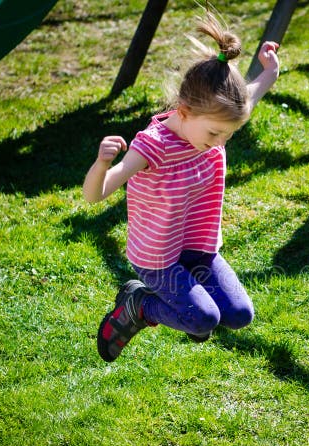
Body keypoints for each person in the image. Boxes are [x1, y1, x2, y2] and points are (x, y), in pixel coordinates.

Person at [83, 10, 280, 362]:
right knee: (202, 318)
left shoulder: (213, 121)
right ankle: (138, 305)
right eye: (215, 134)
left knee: (239, 315)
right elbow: (95, 195)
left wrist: (270, 70)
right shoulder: (153, 146)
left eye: (227, 135)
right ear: (185, 112)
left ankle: (189, 310)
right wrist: (101, 164)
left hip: (199, 250)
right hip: (158, 259)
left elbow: (249, 95)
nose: (221, 143)